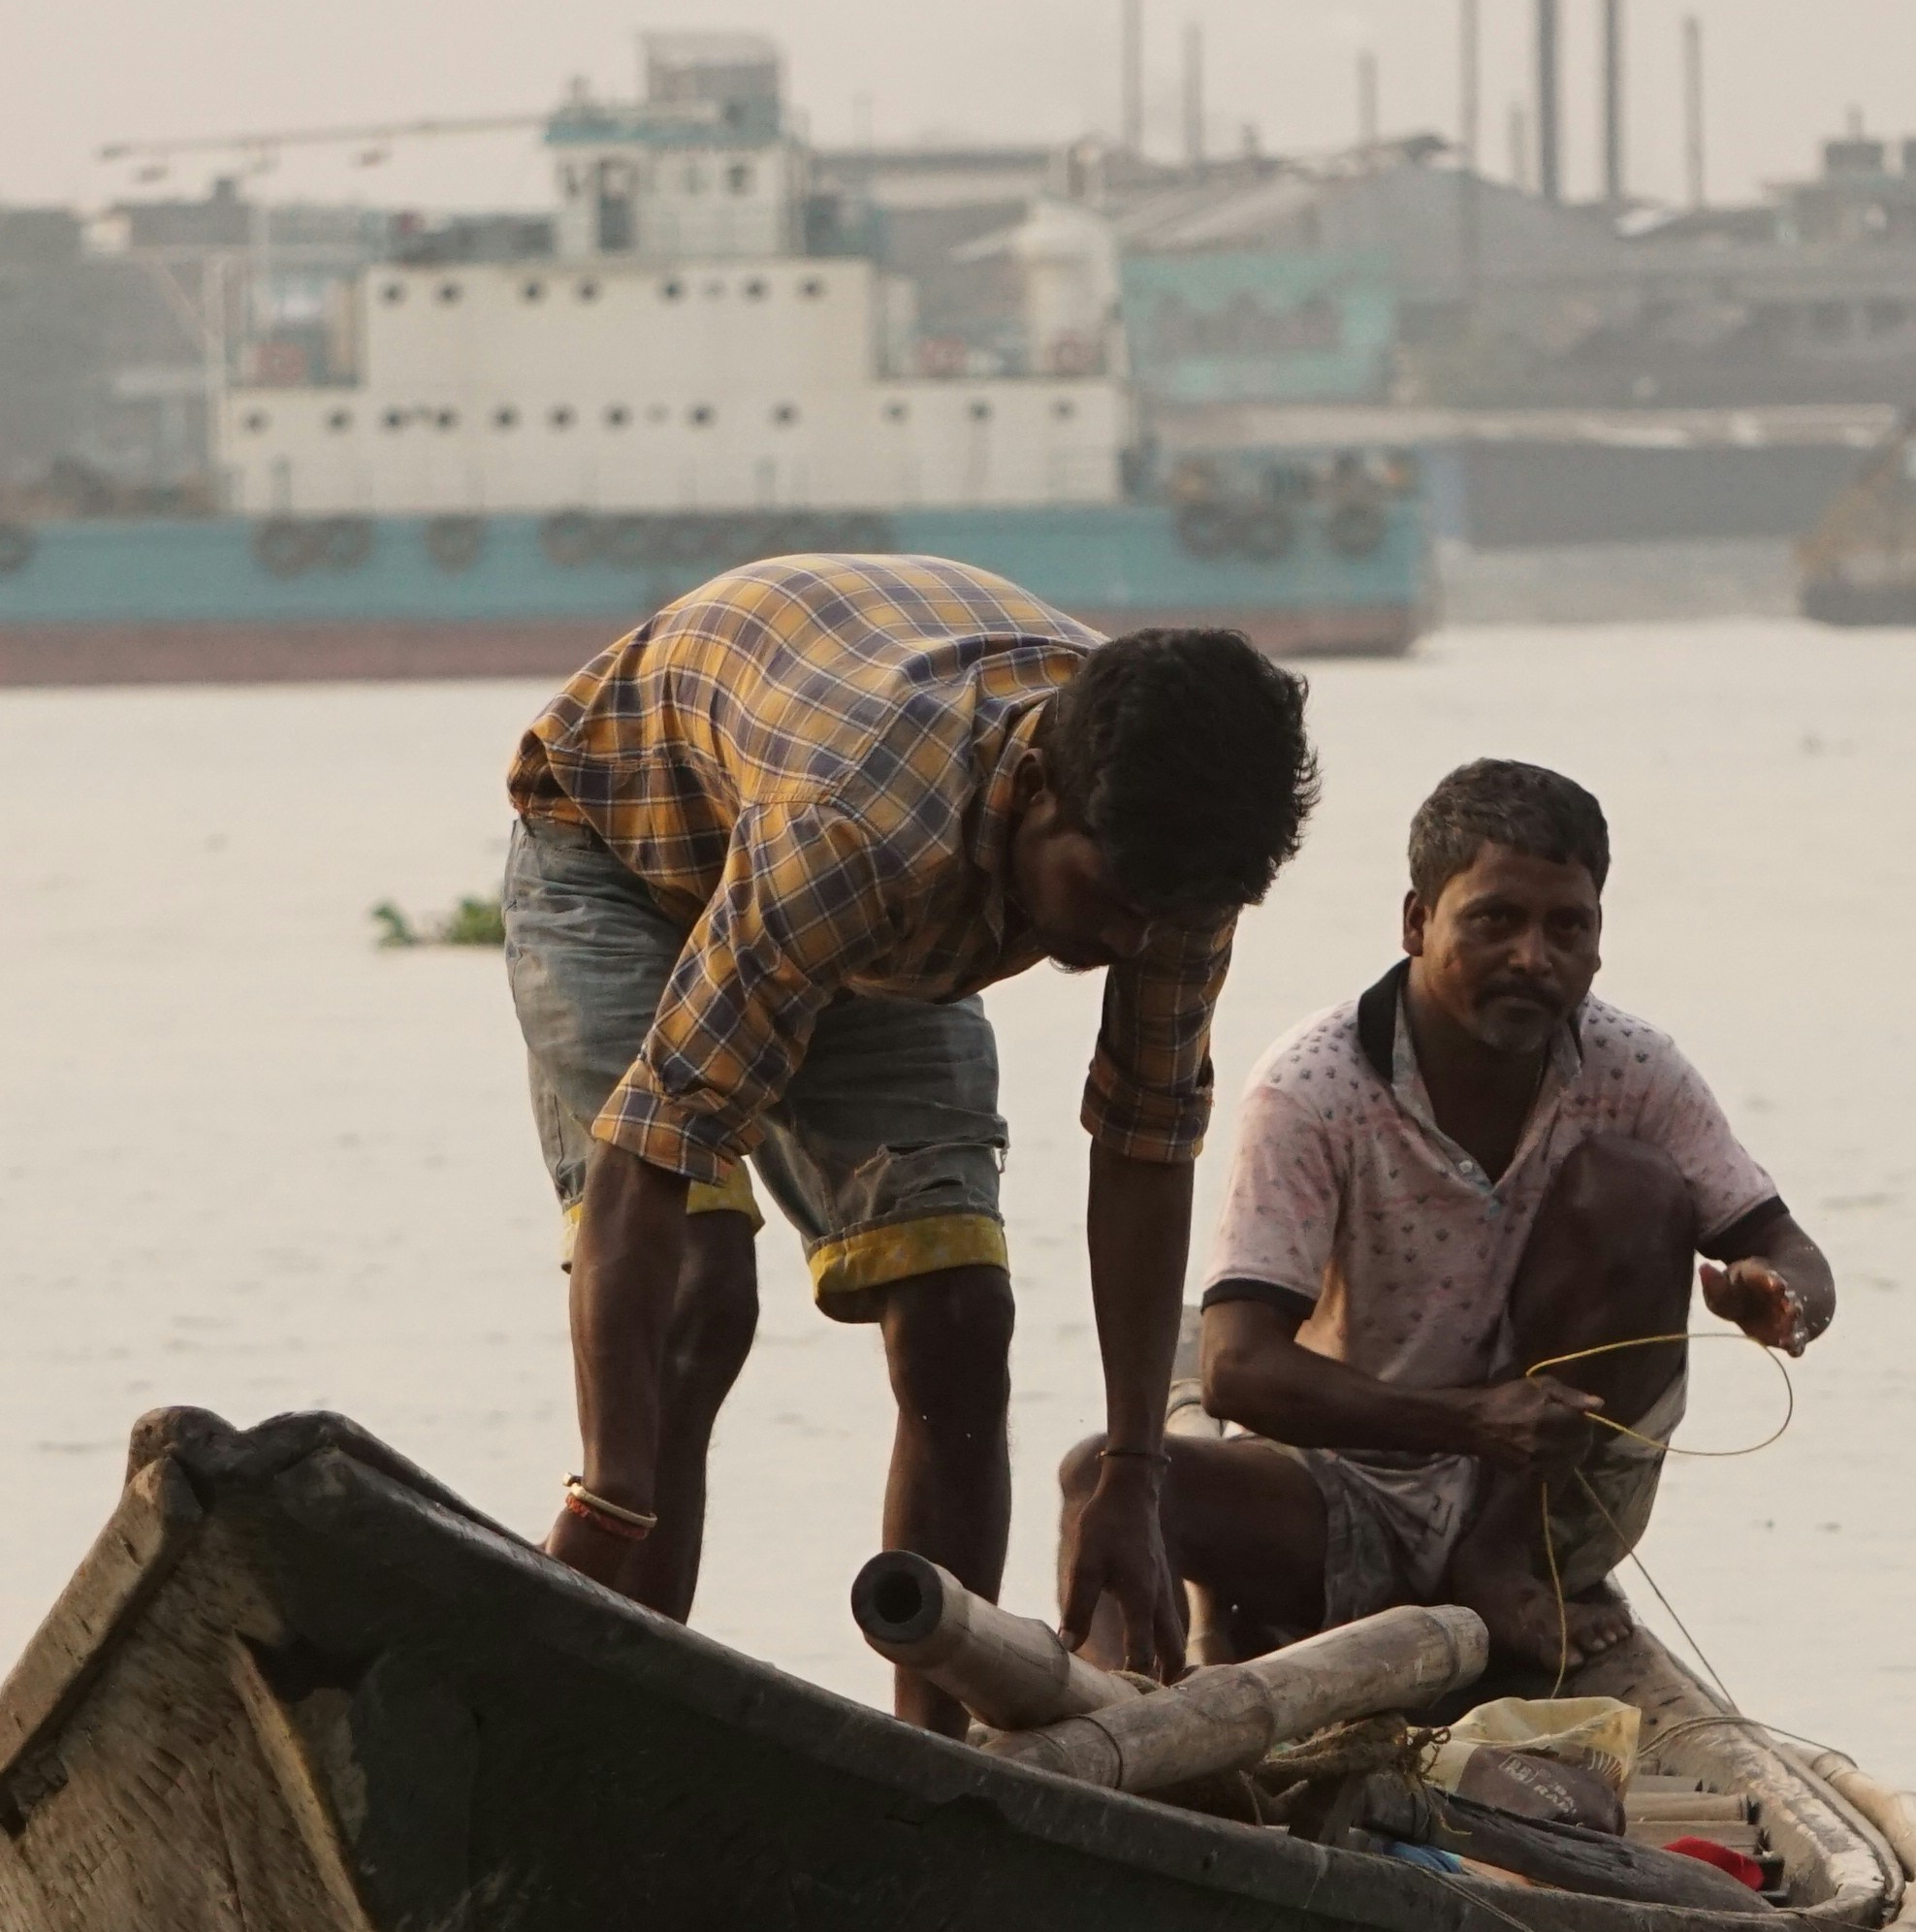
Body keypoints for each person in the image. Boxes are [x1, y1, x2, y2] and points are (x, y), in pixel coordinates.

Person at [500, 554, 1317, 1699]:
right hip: (628, 845)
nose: (1135, 945)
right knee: (699, 1294)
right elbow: (651, 1154)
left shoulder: (1174, 863)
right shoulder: (858, 835)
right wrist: (606, 1496)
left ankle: (935, 1749)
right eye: (1115, 902)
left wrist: (1138, 1469)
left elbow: (1144, 1145)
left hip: (878, 912)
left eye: (1164, 919)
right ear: (1039, 790)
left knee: (959, 1317)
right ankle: (612, 1693)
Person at [1086, 755, 1834, 1676]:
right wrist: (1473, 1421)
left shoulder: (1632, 1067)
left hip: (1546, 1515)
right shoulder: (1313, 1085)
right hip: (1346, 1494)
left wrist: (1782, 1298)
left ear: (1599, 942)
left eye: (1568, 928)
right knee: (1107, 1483)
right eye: (1495, 921)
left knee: (1635, 1190)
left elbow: (1789, 1253)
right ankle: (1116, 1729)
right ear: (1416, 921)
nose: (1534, 957)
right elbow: (1238, 1372)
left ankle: (1500, 1560)